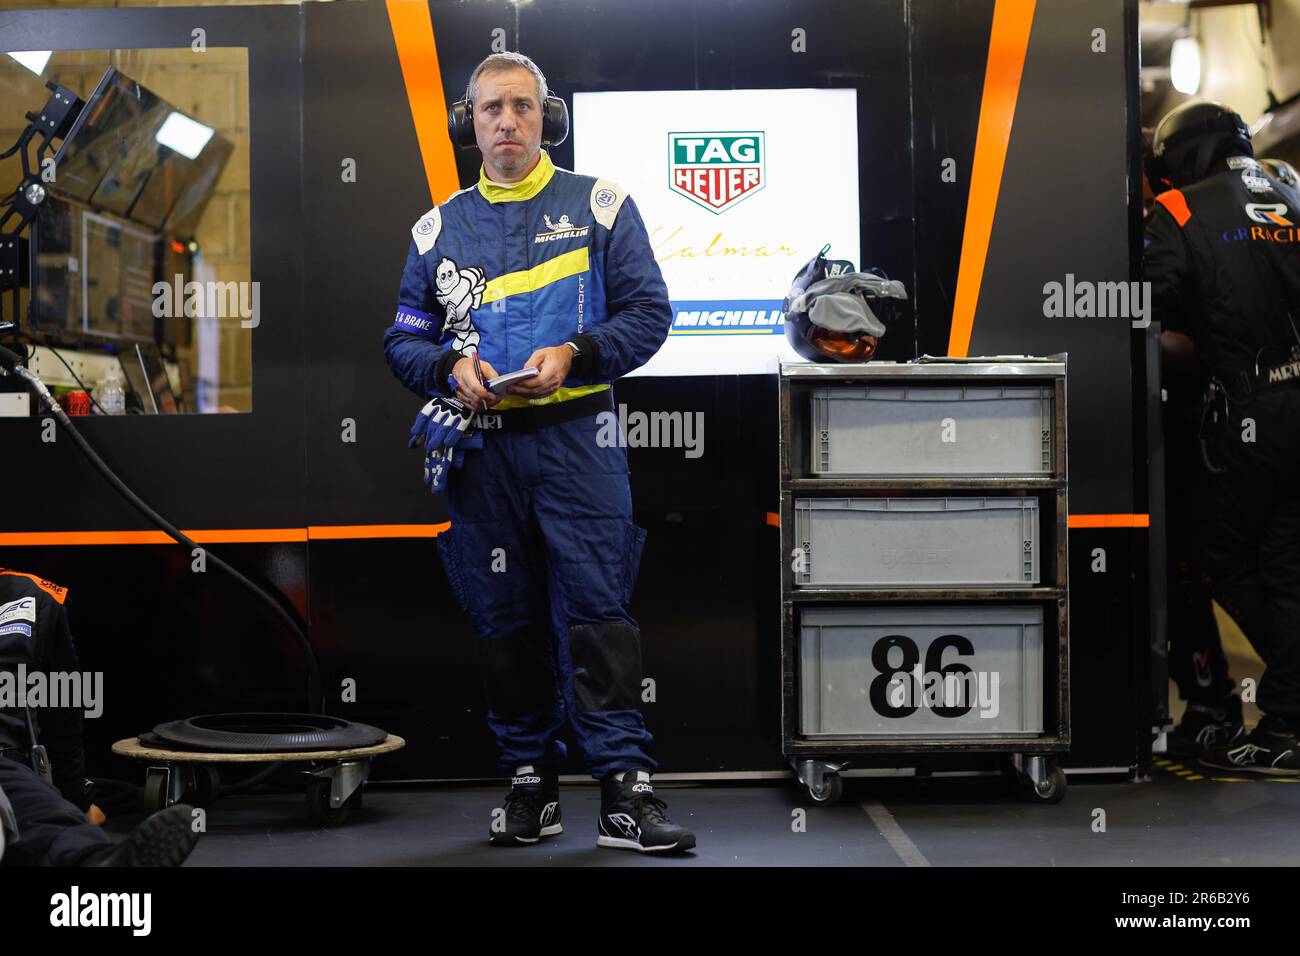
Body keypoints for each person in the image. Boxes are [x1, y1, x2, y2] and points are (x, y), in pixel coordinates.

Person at [383, 52, 695, 852]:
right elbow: (404, 338)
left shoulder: (600, 204)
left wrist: (579, 353)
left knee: (598, 616)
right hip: (481, 456)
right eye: (492, 109)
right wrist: (449, 368)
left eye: (523, 107)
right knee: (505, 623)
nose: (508, 123)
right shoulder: (436, 228)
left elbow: (650, 314)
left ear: (547, 118)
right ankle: (530, 782)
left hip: (577, 443)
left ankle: (626, 789)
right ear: (470, 122)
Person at [1145, 100, 1300, 775]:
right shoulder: (1295, 196)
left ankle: (1293, 699)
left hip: (1251, 412)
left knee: (1213, 557)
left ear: (1182, 158)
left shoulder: (1179, 211)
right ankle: (1290, 725)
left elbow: (1143, 319)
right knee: (1288, 565)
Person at [1141, 126, 1242, 756]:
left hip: (1213, 423)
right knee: (1188, 568)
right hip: (1198, 423)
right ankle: (1206, 696)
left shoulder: (1197, 222)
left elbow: (1190, 343)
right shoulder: (1177, 224)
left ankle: (1214, 698)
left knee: (1209, 567)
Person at [0, 567, 200, 865]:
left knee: (44, 815)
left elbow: (63, 713)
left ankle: (100, 863)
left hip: (7, 769)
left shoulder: (32, 596)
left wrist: (76, 800)